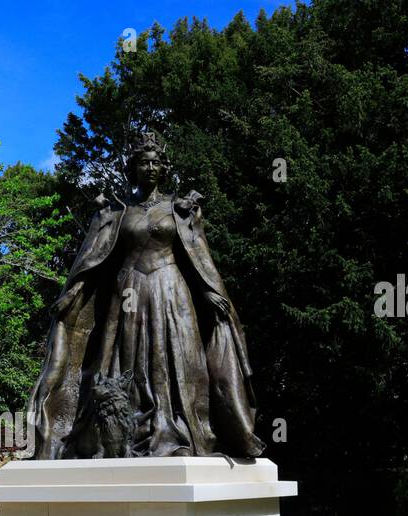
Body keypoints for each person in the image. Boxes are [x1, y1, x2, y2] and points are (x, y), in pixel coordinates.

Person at [27, 126, 265, 460]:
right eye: (143, 163)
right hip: (127, 294)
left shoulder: (180, 209)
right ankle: (120, 436)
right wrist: (74, 293)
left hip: (171, 291)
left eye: (155, 163)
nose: (150, 168)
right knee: (127, 361)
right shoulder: (117, 211)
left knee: (175, 359)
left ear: (163, 168)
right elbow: (93, 259)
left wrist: (210, 292)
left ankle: (176, 430)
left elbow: (199, 257)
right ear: (132, 168)